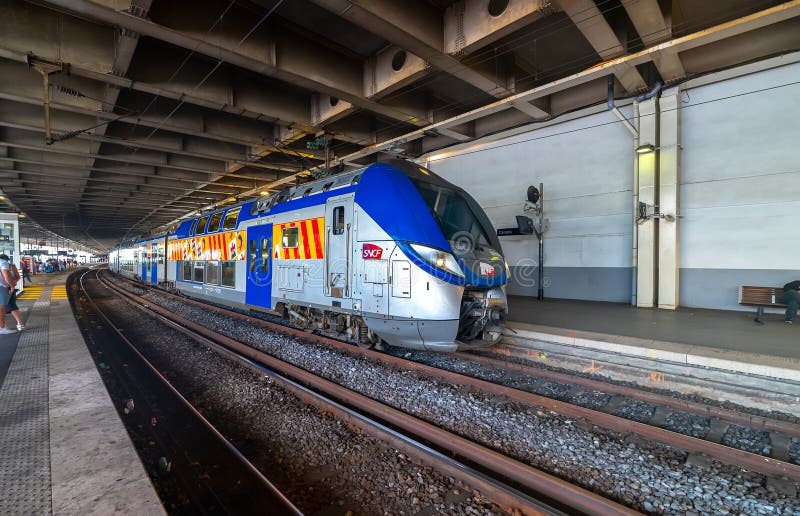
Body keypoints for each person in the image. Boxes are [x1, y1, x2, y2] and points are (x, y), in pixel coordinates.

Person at [0, 254, 16, 334]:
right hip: (2, 287)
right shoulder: (3, 262)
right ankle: (1, 328)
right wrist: (12, 286)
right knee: (2, 308)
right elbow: (6, 276)